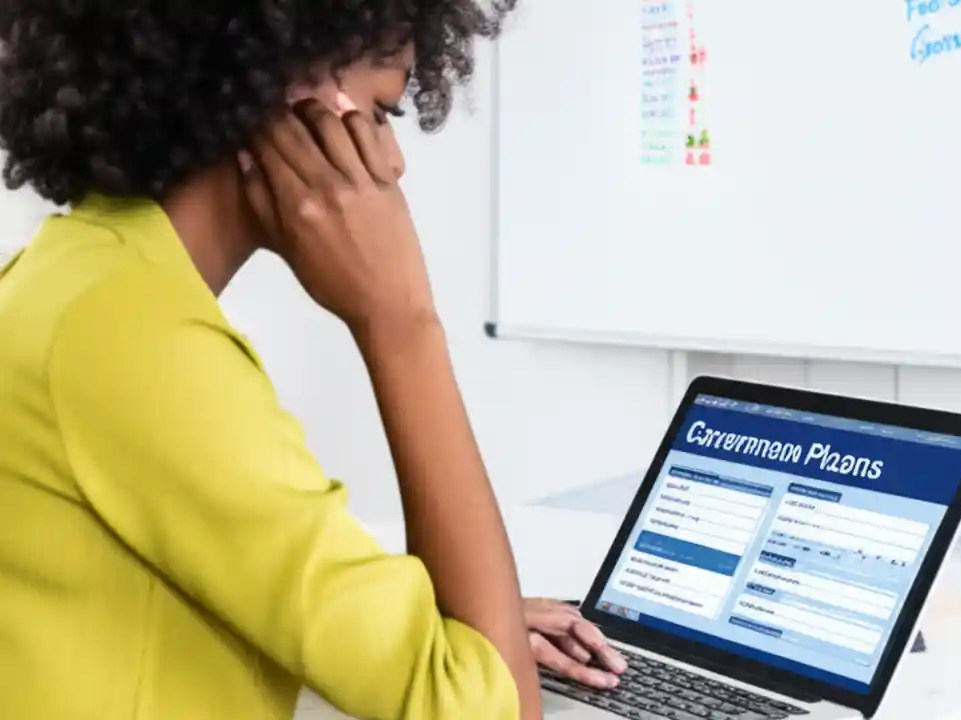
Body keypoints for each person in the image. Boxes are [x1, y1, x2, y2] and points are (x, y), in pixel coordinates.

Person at [0, 2, 625, 718]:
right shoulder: (138, 344)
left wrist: (463, 622)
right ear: (278, 84)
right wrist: (402, 321)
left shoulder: (72, 283)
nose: (392, 162)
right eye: (382, 114)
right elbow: (496, 710)